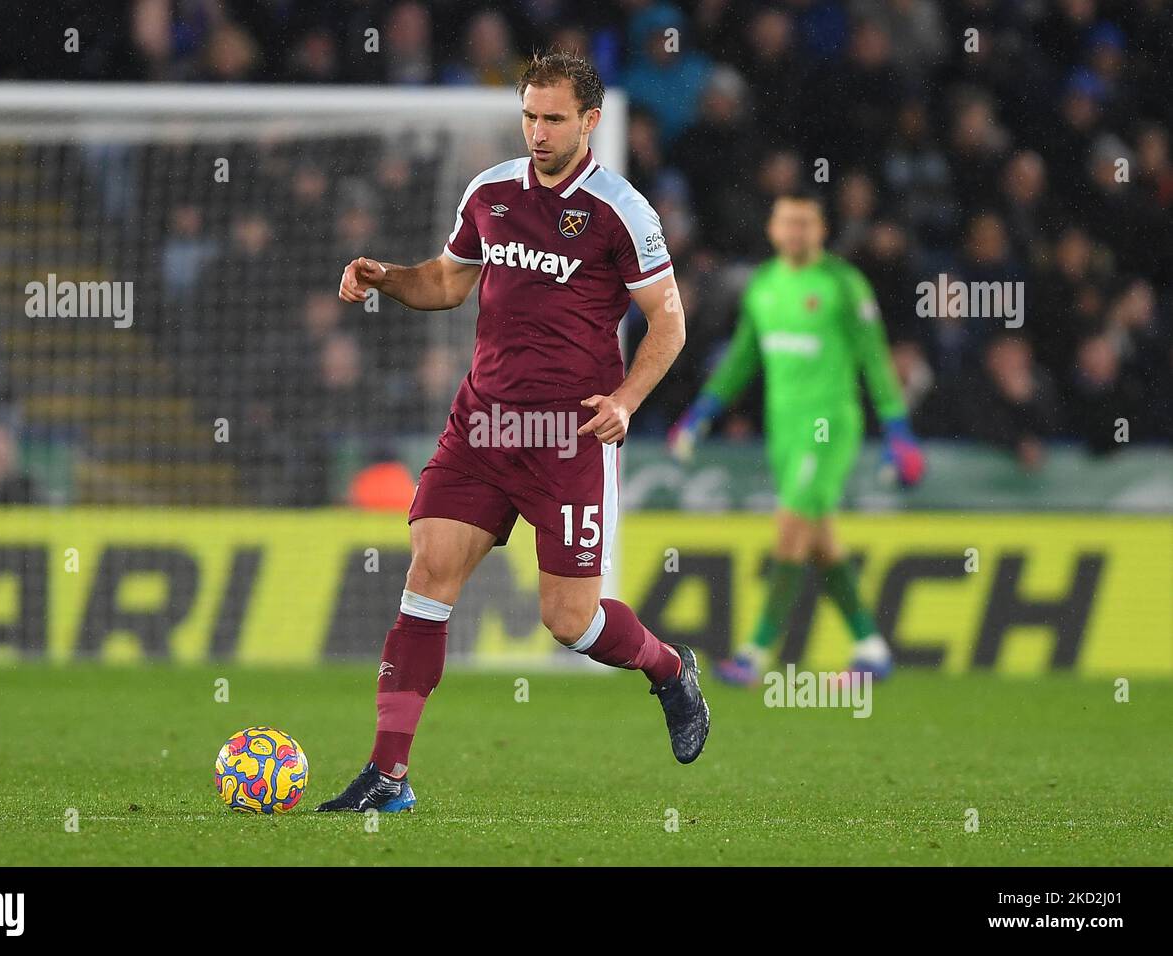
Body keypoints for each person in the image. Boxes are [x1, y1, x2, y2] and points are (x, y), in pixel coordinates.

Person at [321, 51, 709, 813]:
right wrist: (387, 278)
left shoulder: (621, 210)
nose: (536, 130)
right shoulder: (491, 191)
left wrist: (627, 400)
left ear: (589, 122)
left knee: (569, 623)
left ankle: (667, 668)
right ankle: (388, 776)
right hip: (483, 423)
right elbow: (447, 280)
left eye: (553, 118)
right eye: (529, 115)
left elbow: (670, 320)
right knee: (428, 575)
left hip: (570, 436)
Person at [669, 190, 925, 686]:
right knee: (820, 541)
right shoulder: (763, 285)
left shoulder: (844, 284)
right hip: (784, 432)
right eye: (787, 223)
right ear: (772, 229)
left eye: (805, 223)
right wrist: (702, 412)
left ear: (822, 230)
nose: (796, 232)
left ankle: (755, 651)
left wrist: (898, 430)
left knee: (790, 527)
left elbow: (874, 357)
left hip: (828, 428)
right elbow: (743, 357)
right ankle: (871, 648)